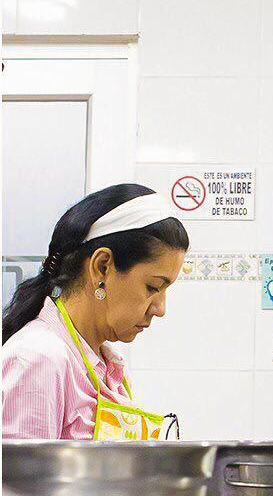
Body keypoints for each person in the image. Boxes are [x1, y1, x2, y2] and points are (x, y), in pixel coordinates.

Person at [2, 184, 189, 439]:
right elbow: (21, 479)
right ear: (102, 267)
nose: (160, 309)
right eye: (153, 287)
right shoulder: (39, 359)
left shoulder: (107, 365)